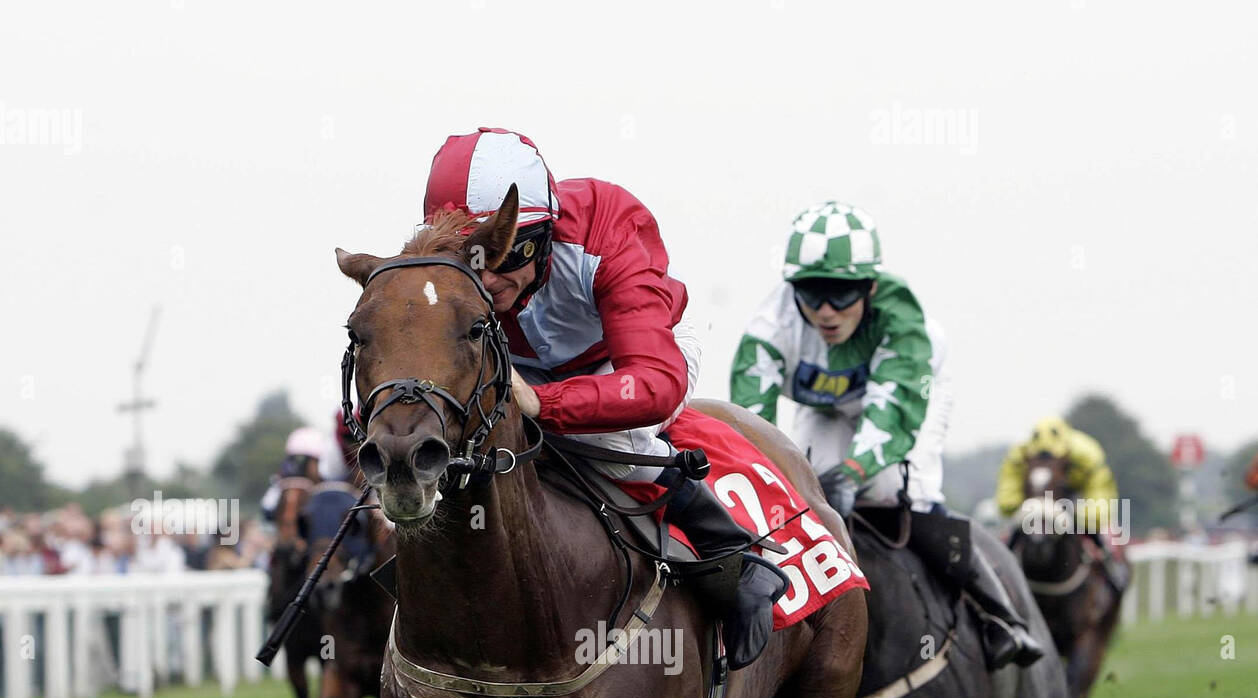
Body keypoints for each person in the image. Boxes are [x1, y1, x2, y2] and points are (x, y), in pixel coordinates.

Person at [421, 127, 787, 668]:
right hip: (522, 368)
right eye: (472, 259)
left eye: (506, 252)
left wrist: (546, 405)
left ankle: (734, 557)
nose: (490, 279)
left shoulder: (605, 224)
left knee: (605, 434)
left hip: (632, 358)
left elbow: (654, 383)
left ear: (543, 234)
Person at [731, 201, 1042, 669]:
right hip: (826, 409)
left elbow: (890, 411)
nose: (826, 311)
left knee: (901, 491)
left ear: (871, 287)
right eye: (811, 293)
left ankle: (999, 617)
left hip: (907, 399)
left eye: (843, 294)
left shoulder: (905, 324)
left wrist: (855, 472)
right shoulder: (769, 327)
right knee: (803, 492)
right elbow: (751, 424)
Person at [996, 416, 1127, 589]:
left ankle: (1112, 567)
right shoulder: (1018, 455)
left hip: (1074, 497)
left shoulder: (1086, 453)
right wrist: (1019, 509)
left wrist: (1083, 516)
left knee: (1095, 529)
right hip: (1032, 499)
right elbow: (1007, 499)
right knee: (1015, 530)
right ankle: (999, 570)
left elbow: (1100, 496)